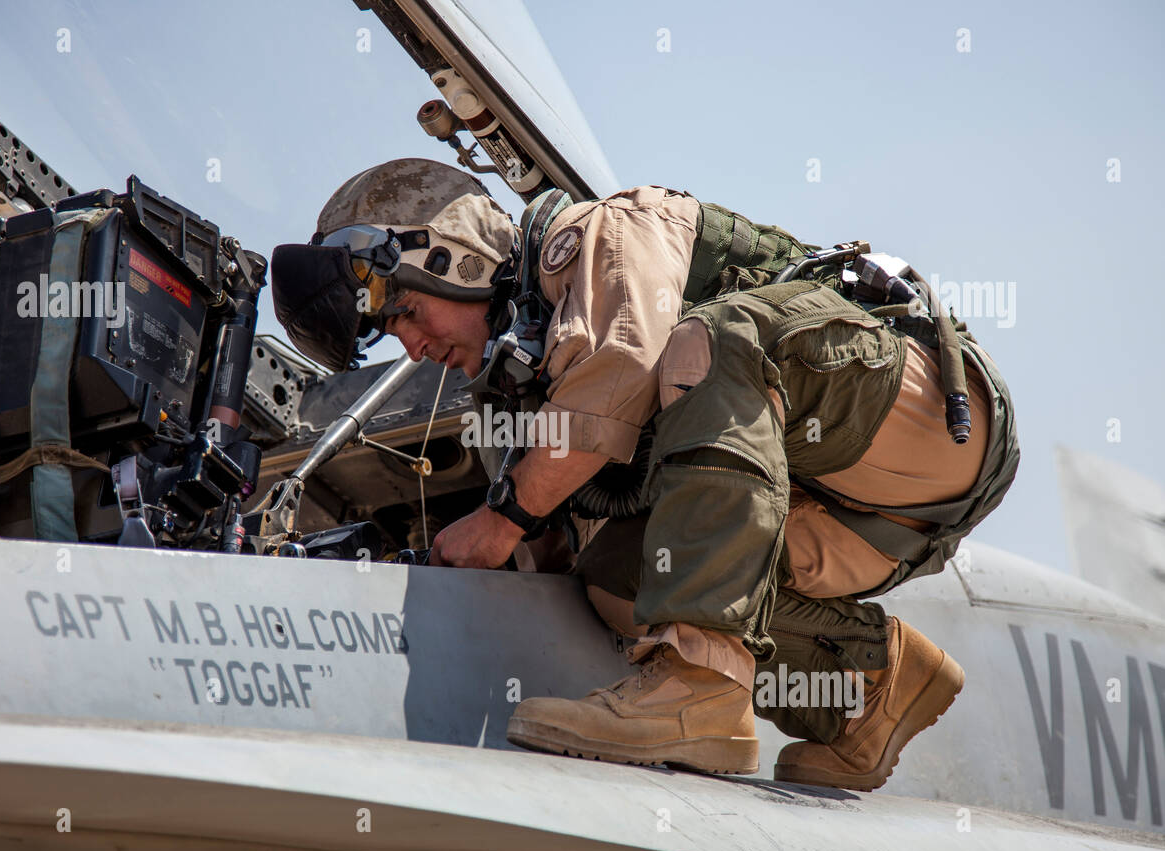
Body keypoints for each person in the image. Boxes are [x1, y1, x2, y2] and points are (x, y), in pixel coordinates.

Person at [270, 157, 1020, 790]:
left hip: (926, 410)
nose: (410, 347)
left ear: (449, 257)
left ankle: (701, 689)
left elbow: (628, 360)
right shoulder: (526, 379)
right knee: (620, 578)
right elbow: (585, 506)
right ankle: (867, 687)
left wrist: (502, 521)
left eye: (401, 313)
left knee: (716, 337)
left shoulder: (603, 232)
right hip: (859, 517)